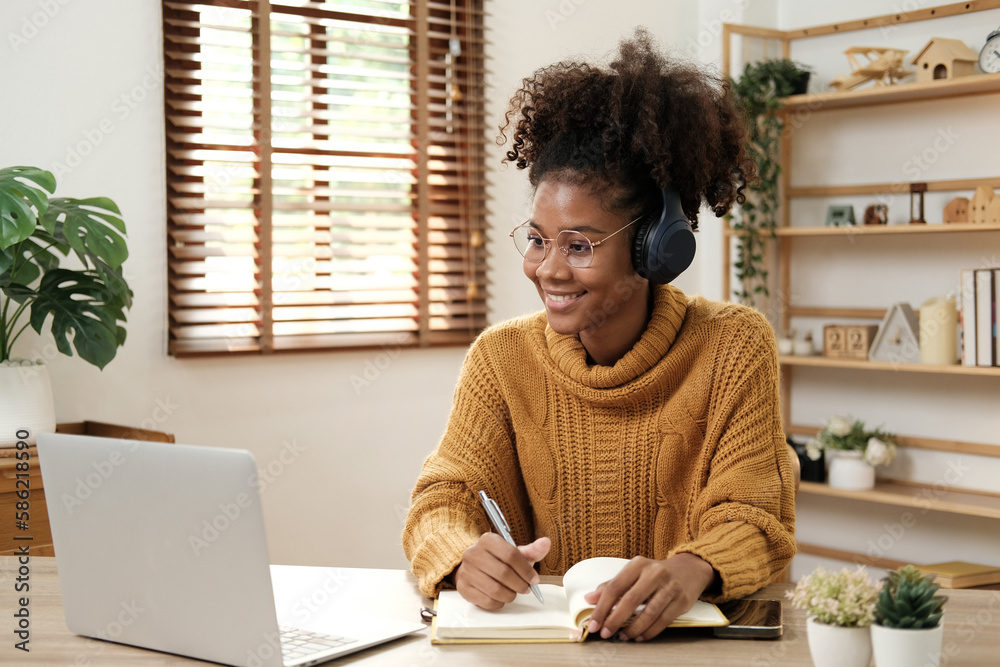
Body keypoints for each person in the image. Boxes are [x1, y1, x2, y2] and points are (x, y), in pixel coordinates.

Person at [402, 28, 796, 643]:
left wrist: (692, 569)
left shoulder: (733, 346)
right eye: (537, 239)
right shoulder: (502, 358)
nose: (549, 269)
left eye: (580, 246)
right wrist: (460, 555)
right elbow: (442, 496)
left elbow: (755, 513)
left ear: (655, 248)